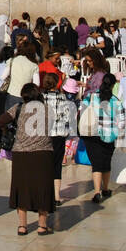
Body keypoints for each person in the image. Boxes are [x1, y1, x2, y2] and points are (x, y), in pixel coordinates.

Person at [0, 83, 54, 235]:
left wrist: (10, 129)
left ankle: (22, 226)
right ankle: (42, 226)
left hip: (21, 153)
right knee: (42, 188)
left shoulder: (17, 108)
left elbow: (1, 121)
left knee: (21, 188)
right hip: (43, 153)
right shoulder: (48, 110)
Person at [84, 73, 125, 204]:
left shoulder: (91, 97)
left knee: (96, 164)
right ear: (113, 85)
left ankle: (97, 191)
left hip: (92, 134)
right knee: (106, 163)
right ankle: (105, 189)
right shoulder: (116, 101)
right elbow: (122, 123)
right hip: (109, 135)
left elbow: (82, 109)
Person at [43, 73, 77, 205]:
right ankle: (56, 196)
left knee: (45, 165)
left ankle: (46, 194)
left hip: (45, 135)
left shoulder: (41, 99)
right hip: (59, 135)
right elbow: (69, 117)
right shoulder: (63, 98)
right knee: (57, 165)